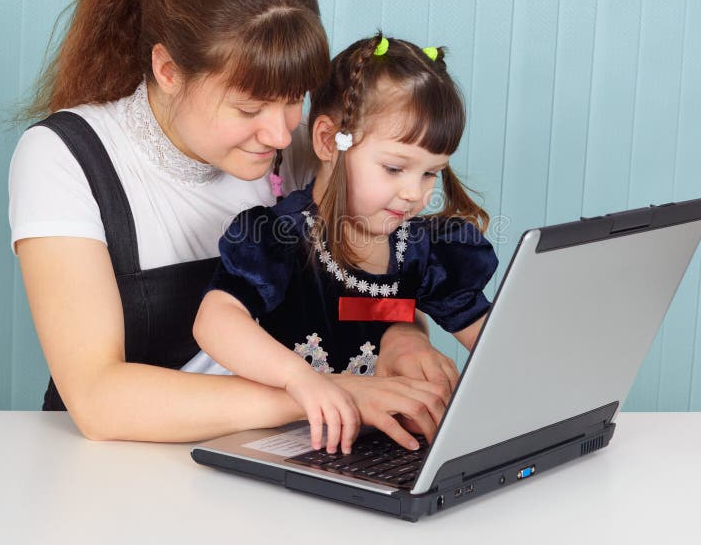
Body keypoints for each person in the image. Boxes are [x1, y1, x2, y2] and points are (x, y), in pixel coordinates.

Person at [8, 0, 453, 445]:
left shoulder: (309, 147)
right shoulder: (65, 157)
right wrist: (325, 394)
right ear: (168, 70)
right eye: (249, 109)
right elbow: (97, 398)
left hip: (264, 459)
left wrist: (400, 334)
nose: (282, 134)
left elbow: (353, 293)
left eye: (294, 100)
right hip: (114, 475)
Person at [193, 34, 498, 455]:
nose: (415, 193)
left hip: (364, 451)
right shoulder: (281, 238)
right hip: (278, 443)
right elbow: (214, 322)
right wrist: (300, 379)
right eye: (394, 168)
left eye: (431, 174)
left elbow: (352, 307)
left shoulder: (420, 250)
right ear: (327, 141)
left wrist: (404, 333)